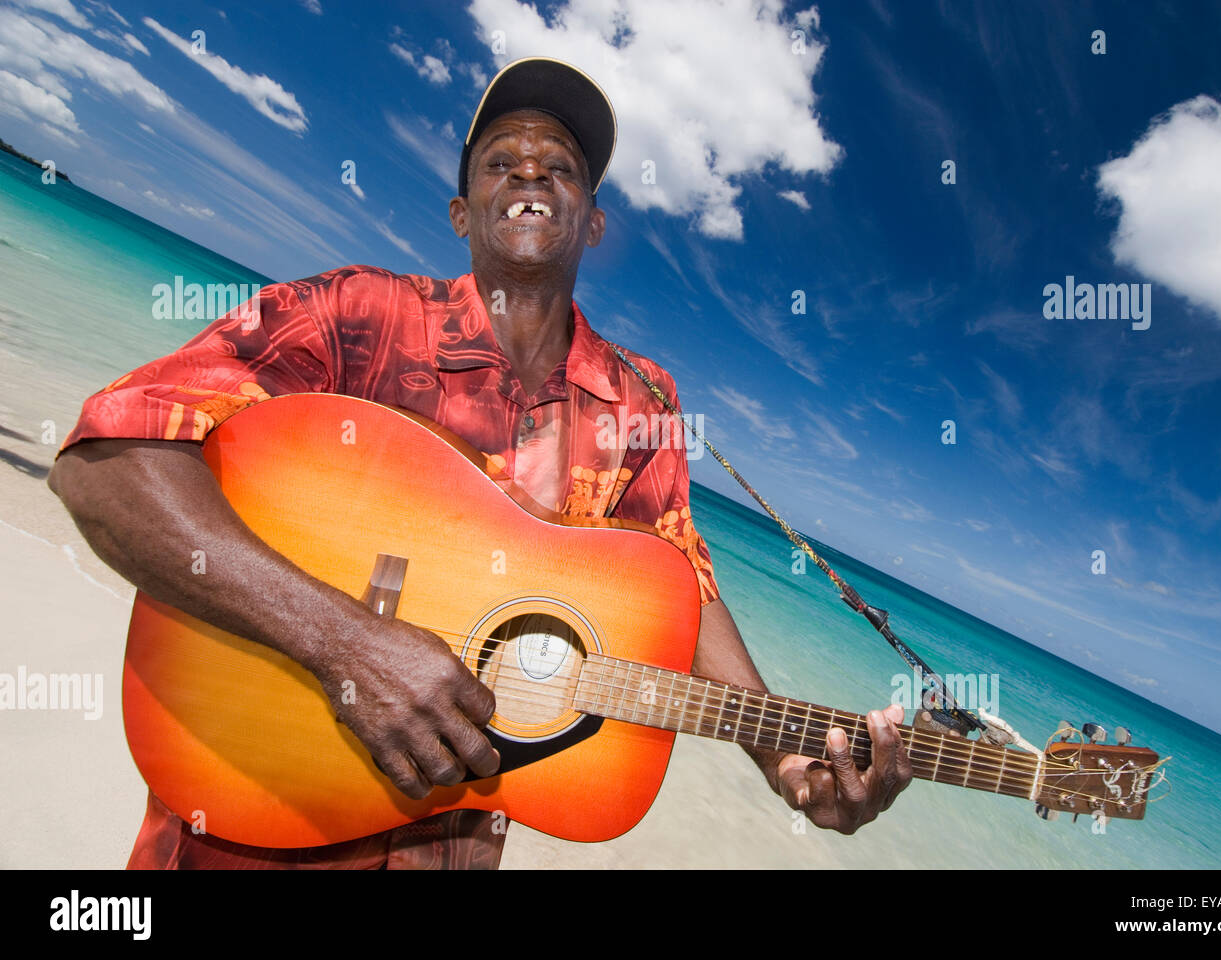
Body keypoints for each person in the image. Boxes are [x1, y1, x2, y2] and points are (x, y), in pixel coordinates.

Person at [48, 58, 911, 869]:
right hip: (244, 825)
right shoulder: (358, 315)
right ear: (462, 212)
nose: (532, 171)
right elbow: (109, 457)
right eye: (501, 160)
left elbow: (680, 582)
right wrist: (343, 644)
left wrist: (784, 759)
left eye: (562, 167)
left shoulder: (642, 400)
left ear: (595, 221)